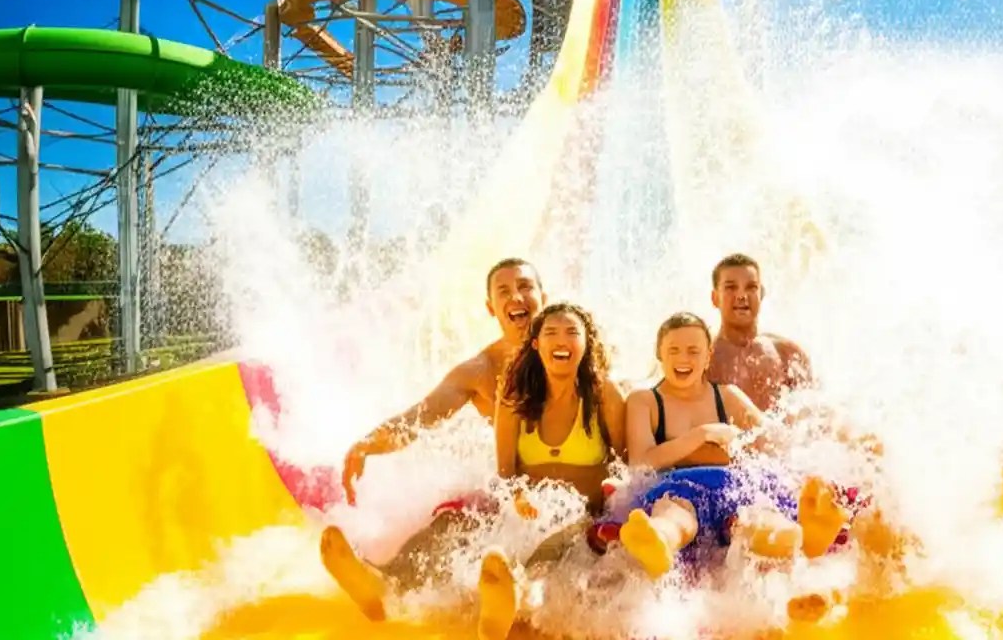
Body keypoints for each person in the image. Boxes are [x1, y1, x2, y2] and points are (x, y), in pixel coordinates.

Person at [319, 257, 546, 621]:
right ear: (491, 308)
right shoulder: (480, 372)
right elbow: (421, 417)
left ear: (543, 296)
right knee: (458, 518)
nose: (516, 296)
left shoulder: (574, 349)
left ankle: (519, 599)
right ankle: (387, 584)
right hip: (516, 486)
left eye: (525, 287)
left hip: (569, 486)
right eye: (504, 291)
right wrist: (367, 444)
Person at [614, 312, 850, 579]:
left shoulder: (727, 396)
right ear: (660, 353)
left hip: (734, 485)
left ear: (708, 355)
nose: (683, 359)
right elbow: (642, 462)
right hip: (677, 487)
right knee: (673, 514)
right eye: (674, 350)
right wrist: (701, 435)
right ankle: (658, 540)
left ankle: (796, 537)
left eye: (693, 351)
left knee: (755, 513)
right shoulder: (644, 401)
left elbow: (774, 443)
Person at [475, 302, 626, 640]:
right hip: (528, 511)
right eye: (551, 333)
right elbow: (505, 472)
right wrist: (518, 494)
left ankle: (516, 593)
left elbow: (625, 465)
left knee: (560, 537)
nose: (562, 340)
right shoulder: (514, 396)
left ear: (588, 343)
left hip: (586, 515)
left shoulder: (604, 394)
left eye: (573, 332)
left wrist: (611, 497)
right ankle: (502, 592)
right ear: (535, 344)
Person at [707, 253, 814, 413]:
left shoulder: (788, 354)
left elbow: (816, 419)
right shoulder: (704, 360)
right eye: (730, 287)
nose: (742, 296)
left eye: (751, 287)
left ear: (761, 294)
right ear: (715, 298)